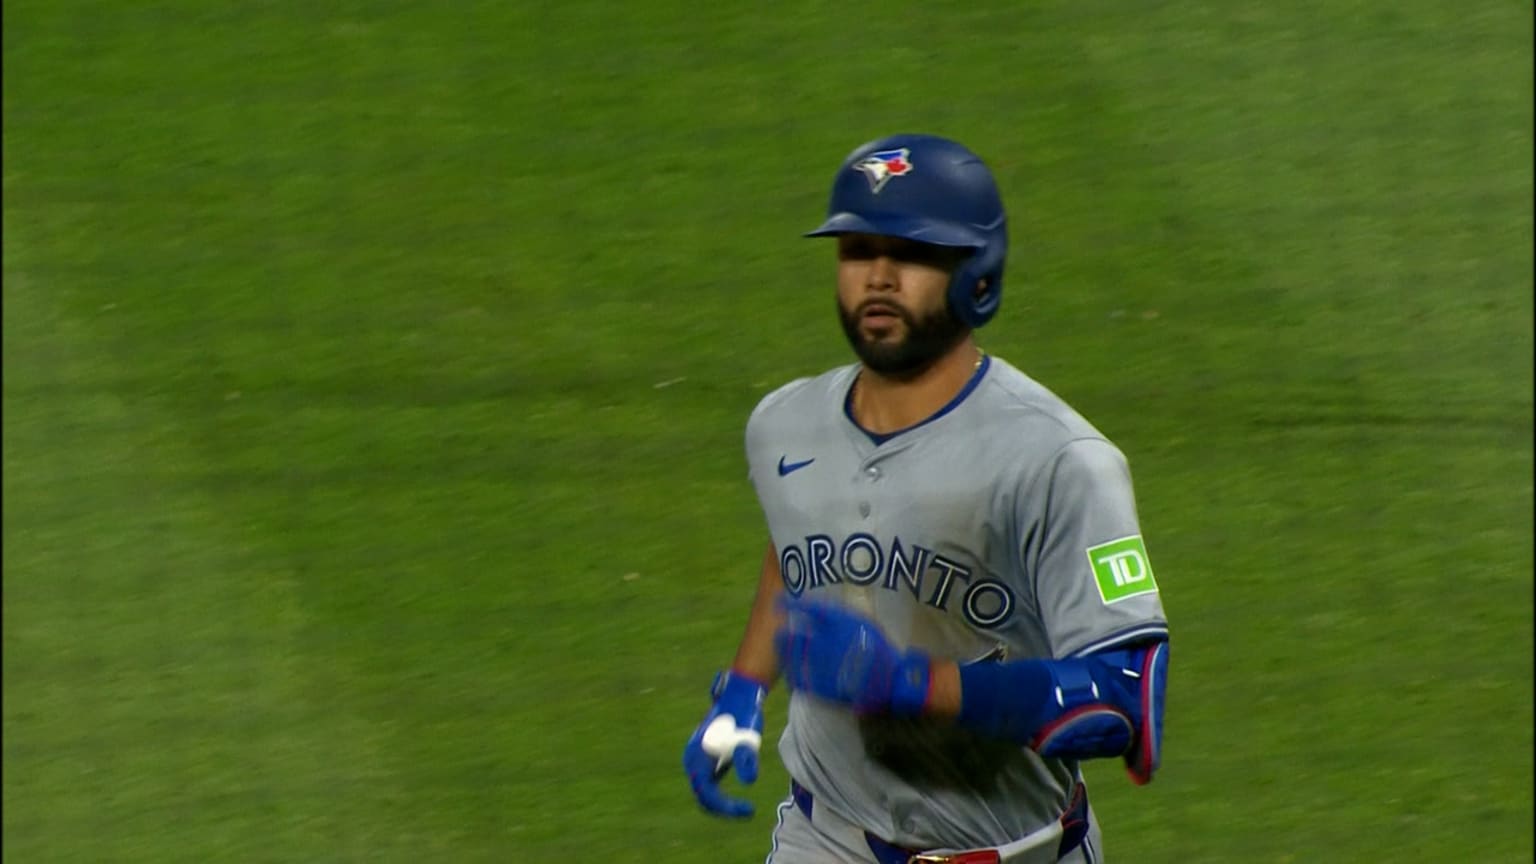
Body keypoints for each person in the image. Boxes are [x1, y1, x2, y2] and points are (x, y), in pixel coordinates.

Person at [682, 133, 1170, 864]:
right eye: (856, 252)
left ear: (977, 271)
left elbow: (1127, 700)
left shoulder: (1061, 461)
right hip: (825, 838)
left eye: (910, 255)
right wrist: (743, 693)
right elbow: (798, 544)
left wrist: (914, 685)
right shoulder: (783, 424)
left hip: (1017, 847)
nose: (877, 278)